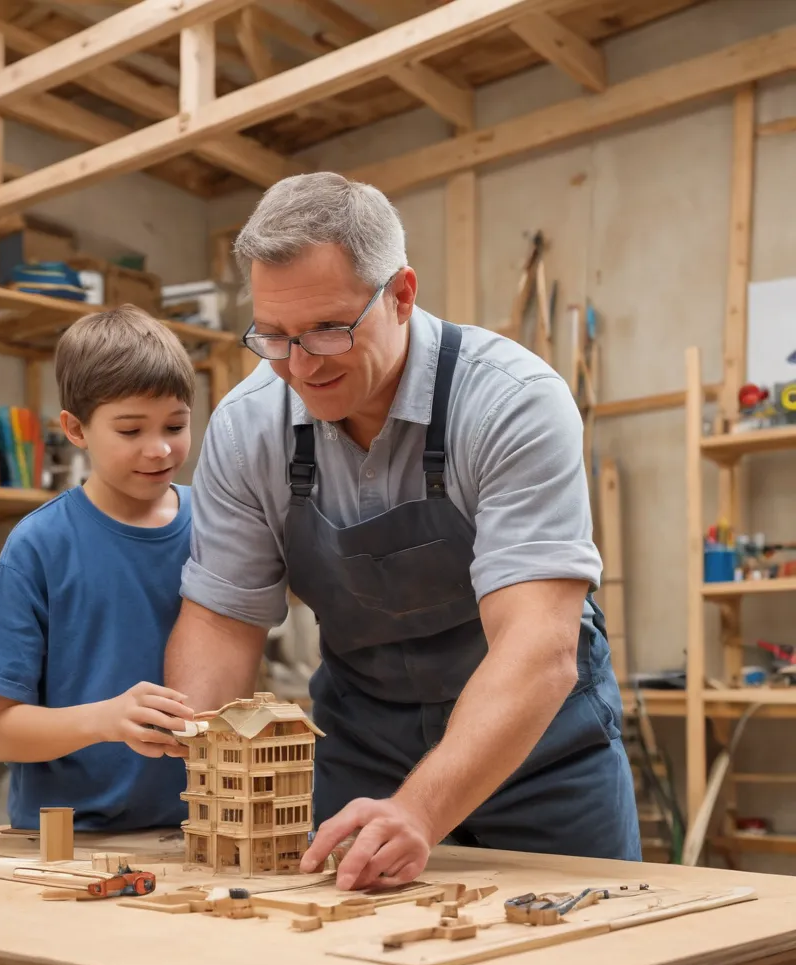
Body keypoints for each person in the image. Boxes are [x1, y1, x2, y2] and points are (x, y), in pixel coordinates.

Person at [165, 171, 641, 889]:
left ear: (401, 294)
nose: (299, 366)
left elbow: (537, 647)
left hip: (540, 752)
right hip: (365, 750)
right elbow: (223, 621)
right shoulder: (247, 427)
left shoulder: (512, 403)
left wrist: (419, 810)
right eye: (275, 336)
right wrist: (201, 759)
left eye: (327, 330)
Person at [0, 306, 197, 833]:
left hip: (195, 833)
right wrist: (105, 719)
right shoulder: (38, 546)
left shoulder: (217, 525)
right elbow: (3, 735)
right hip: (71, 841)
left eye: (176, 425)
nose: (159, 449)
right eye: (131, 429)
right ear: (75, 429)